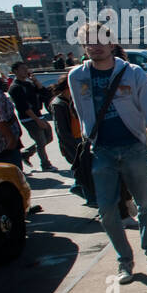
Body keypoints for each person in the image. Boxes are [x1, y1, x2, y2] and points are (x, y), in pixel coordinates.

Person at [67, 22, 147, 283]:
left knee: (145, 203)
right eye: (87, 41)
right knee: (107, 211)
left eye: (99, 40)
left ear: (112, 43)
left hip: (133, 147)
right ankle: (124, 261)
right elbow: (81, 113)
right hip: (101, 150)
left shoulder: (132, 73)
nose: (94, 46)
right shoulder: (77, 77)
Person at [47, 76, 94, 204]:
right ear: (69, 87)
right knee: (85, 171)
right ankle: (90, 198)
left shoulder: (72, 100)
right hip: (73, 143)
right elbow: (61, 130)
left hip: (81, 139)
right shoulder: (58, 104)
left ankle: (77, 188)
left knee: (85, 169)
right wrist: (74, 146)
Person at [8, 61, 55, 171]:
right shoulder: (15, 87)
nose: (26, 71)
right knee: (41, 141)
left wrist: (35, 81)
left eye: (26, 68)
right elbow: (24, 107)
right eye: (22, 69)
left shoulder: (28, 84)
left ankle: (26, 153)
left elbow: (45, 93)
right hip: (29, 118)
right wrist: (37, 120)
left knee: (48, 137)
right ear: (15, 71)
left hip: (38, 115)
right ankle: (45, 164)